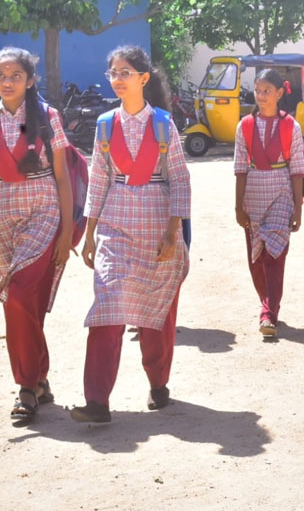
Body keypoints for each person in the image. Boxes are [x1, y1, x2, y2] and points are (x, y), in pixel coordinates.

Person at [71, 46, 191, 424]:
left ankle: (158, 383)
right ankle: (97, 401)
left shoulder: (163, 124)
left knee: (156, 314)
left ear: (143, 78)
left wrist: (174, 232)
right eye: (113, 72)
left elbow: (180, 181)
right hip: (115, 223)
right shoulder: (105, 124)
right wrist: (89, 233)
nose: (118, 78)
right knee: (106, 307)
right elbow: (99, 180)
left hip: (157, 225)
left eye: (126, 72)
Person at [0, 47, 74, 424]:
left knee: (20, 292)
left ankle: (25, 387)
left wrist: (66, 230)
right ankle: (40, 377)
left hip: (44, 210)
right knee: (23, 303)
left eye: (16, 76)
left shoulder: (45, 118)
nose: (8, 82)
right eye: (1, 75)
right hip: (3, 214)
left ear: (30, 79)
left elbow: (62, 176)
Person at [234, 68, 304, 339]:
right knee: (256, 256)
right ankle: (268, 303)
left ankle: (268, 314)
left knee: (275, 255)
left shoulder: (291, 126)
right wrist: (238, 206)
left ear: (279, 93)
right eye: (258, 91)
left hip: (280, 193)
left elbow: (297, 169)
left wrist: (297, 208)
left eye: (267, 91)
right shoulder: (245, 126)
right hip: (252, 194)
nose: (262, 96)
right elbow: (240, 167)